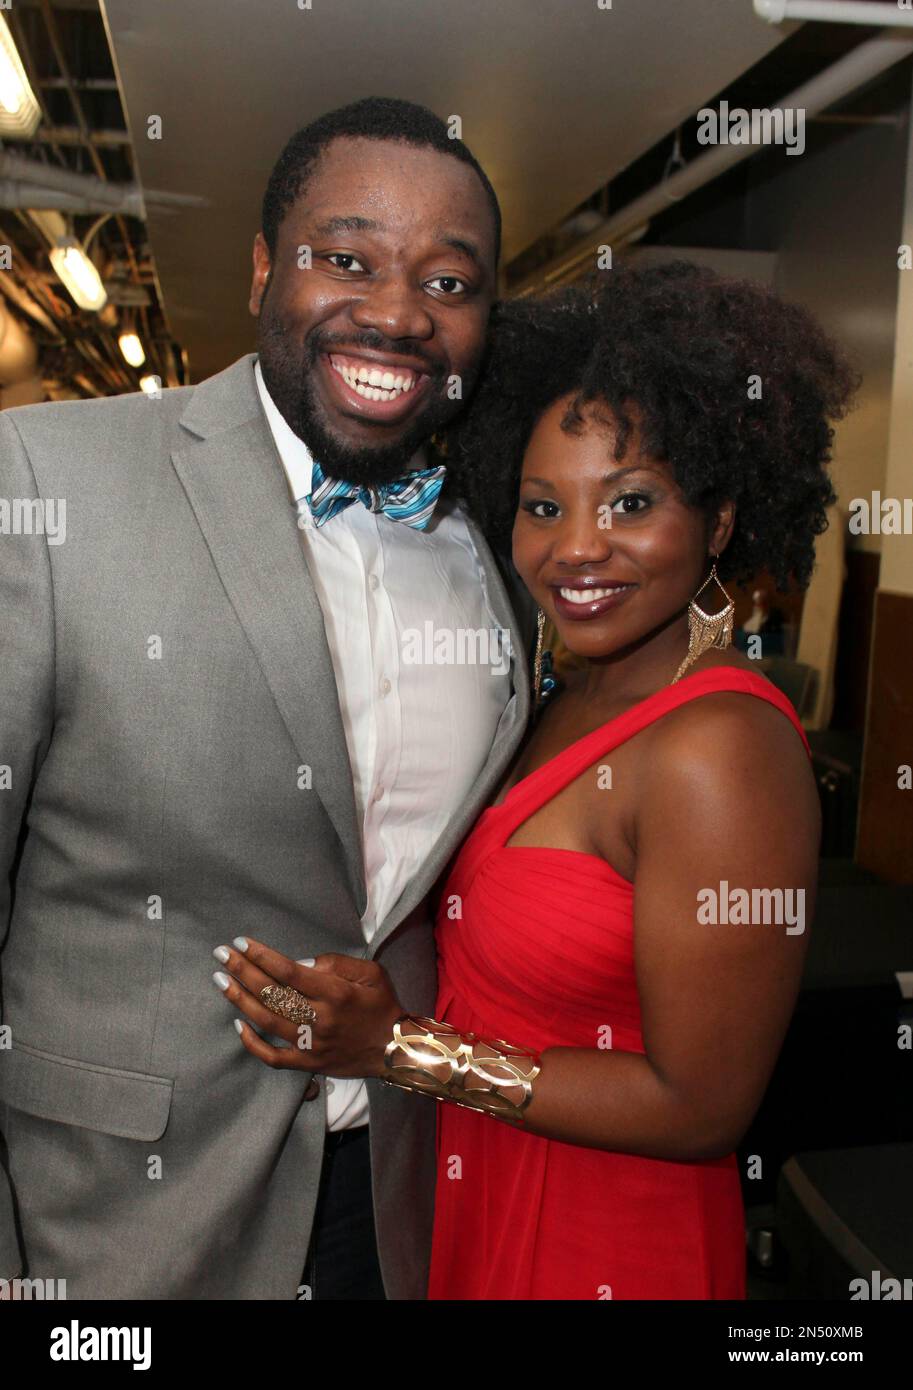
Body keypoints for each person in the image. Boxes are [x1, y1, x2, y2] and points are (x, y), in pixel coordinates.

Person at [217, 261, 856, 1299]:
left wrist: (396, 1049)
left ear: (722, 522)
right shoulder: (558, 686)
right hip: (486, 1187)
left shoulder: (719, 749)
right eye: (542, 505)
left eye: (631, 501)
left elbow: (702, 1106)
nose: (577, 548)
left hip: (607, 1232)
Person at [0, 97, 533, 1300]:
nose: (396, 313)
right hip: (109, 1220)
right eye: (345, 259)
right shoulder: (48, 481)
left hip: (387, 1200)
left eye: (449, 283)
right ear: (259, 268)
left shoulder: (493, 550)